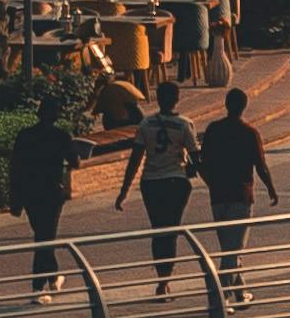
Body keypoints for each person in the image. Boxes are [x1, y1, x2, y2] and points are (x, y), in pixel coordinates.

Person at [117, 81, 199, 289]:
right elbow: (197, 158)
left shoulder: (146, 124)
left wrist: (124, 191)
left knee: (158, 230)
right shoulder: (184, 124)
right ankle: (165, 280)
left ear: (158, 99)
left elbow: (135, 159)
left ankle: (162, 276)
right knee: (170, 230)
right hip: (175, 181)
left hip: (151, 182)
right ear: (177, 99)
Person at [196, 89, 277, 299]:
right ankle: (221, 299)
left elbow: (202, 162)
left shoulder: (213, 130)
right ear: (244, 106)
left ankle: (241, 293)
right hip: (241, 196)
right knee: (232, 251)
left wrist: (211, 183)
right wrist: (271, 188)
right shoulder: (249, 133)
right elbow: (261, 166)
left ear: (226, 104)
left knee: (229, 248)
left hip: (218, 197)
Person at [7, 90, 79, 296]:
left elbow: (16, 167)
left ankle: (52, 278)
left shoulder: (25, 136)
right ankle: (41, 285)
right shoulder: (61, 137)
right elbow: (75, 162)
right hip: (52, 192)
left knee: (42, 235)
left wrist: (15, 198)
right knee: (45, 238)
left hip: (30, 191)